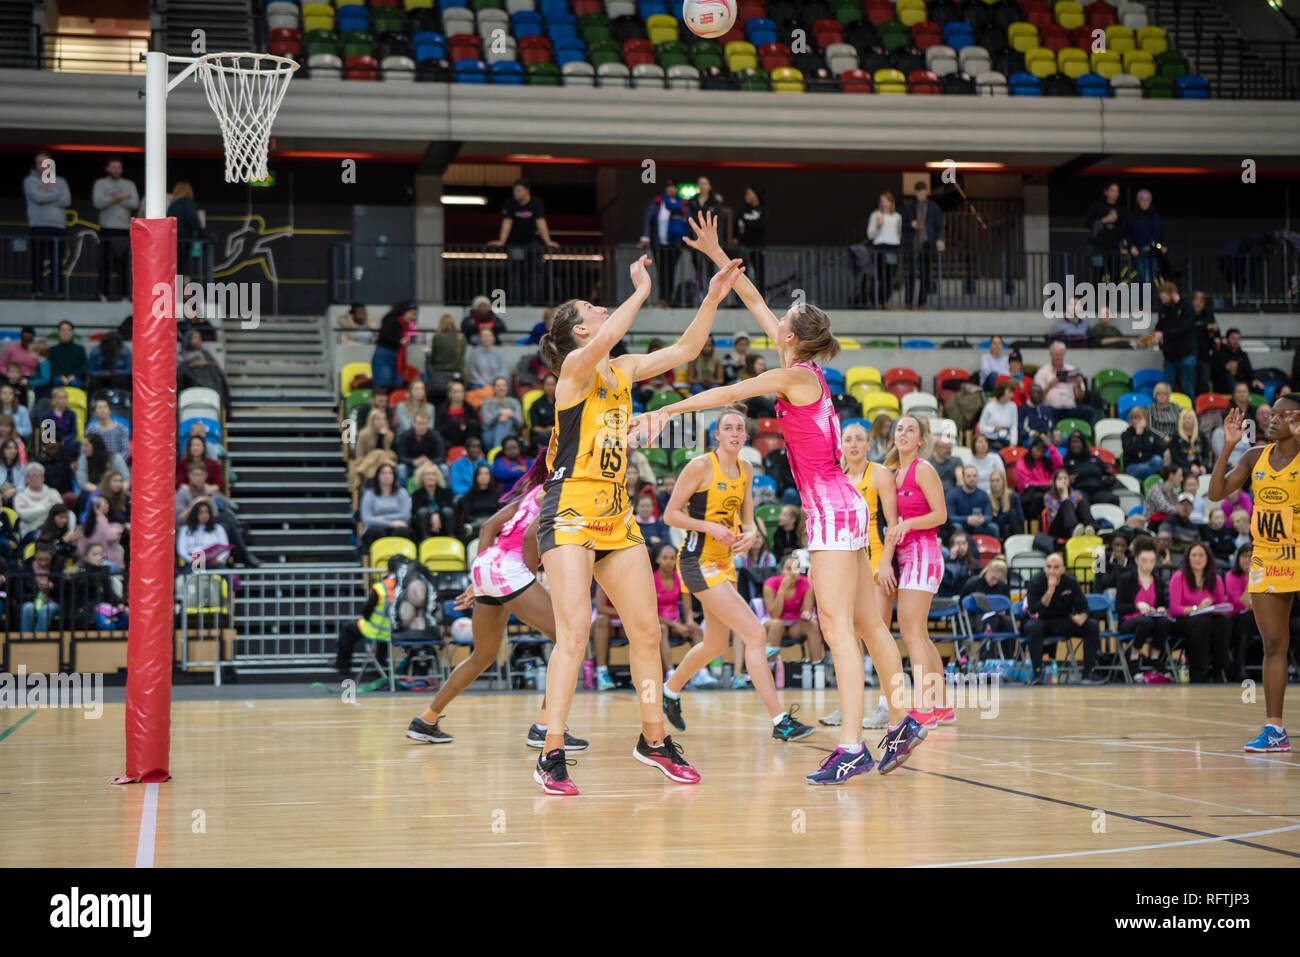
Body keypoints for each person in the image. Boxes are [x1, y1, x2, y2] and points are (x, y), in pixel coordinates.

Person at [640, 210, 920, 782]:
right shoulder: (802, 363)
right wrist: (719, 256)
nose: (776, 321)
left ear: (791, 338)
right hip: (845, 503)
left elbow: (730, 389)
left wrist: (669, 406)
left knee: (838, 626)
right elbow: (752, 296)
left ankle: (851, 745)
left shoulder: (791, 377)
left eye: (783, 321)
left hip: (831, 510)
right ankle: (905, 721)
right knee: (867, 625)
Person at [527, 252, 743, 795]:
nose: (604, 310)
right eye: (594, 308)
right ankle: (552, 751)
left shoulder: (622, 370)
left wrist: (714, 296)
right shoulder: (574, 372)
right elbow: (606, 339)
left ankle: (653, 739)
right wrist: (642, 290)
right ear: (580, 329)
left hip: (615, 511)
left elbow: (687, 349)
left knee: (647, 632)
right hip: (570, 508)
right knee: (574, 632)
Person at [405, 458, 589, 749]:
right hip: (510, 567)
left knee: (483, 655)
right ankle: (544, 727)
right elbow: (530, 536)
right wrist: (528, 577)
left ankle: (426, 720)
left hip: (488, 563)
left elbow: (488, 527)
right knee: (569, 639)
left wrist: (478, 577)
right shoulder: (561, 489)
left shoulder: (533, 491)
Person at [660, 406, 817, 739]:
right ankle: (780, 722)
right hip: (696, 560)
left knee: (716, 645)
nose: (734, 433)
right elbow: (670, 515)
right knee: (756, 634)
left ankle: (670, 691)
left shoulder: (745, 468)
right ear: (716, 434)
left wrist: (751, 535)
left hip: (725, 562)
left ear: (746, 436)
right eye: (727, 428)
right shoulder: (700, 466)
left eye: (739, 429)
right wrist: (708, 528)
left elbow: (748, 518)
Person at [1209, 400, 1300, 749]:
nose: (1273, 419)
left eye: (1284, 414)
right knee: (1274, 644)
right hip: (1268, 557)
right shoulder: (1254, 457)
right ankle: (1275, 730)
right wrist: (1229, 447)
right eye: (1272, 414)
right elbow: (1216, 493)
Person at [828, 420, 898, 729]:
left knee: (877, 633)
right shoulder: (837, 476)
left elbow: (893, 525)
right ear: (840, 445)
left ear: (868, 445)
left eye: (860, 439)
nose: (854, 444)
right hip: (845, 562)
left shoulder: (879, 474)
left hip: (876, 558)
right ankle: (849, 706)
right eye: (848, 439)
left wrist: (887, 564)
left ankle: (886, 705)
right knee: (846, 637)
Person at [1024, 553, 1104, 684]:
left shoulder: (1070, 581)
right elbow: (1034, 610)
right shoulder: (1036, 582)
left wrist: (1082, 616)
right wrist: (1050, 591)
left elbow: (1083, 606)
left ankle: (1088, 674)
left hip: (1063, 621)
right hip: (1041, 621)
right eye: (1049, 567)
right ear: (1044, 568)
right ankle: (1037, 675)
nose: (1052, 571)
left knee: (1092, 625)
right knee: (1033, 627)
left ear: (1063, 569)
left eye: (1056, 567)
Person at [1168, 542, 1232, 683]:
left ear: (1208, 558)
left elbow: (1222, 606)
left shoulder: (1216, 579)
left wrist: (1217, 610)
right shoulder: (1179, 577)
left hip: (1208, 620)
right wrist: (1197, 608)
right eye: (1194, 555)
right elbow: (1174, 608)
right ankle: (1198, 671)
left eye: (1201, 555)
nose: (1198, 559)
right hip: (1182, 621)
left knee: (1223, 622)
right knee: (1202, 622)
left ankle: (1219, 668)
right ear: (1188, 558)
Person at [487, 178, 558, 306]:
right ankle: (516, 302)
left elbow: (540, 223)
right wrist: (502, 241)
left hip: (531, 244)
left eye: (518, 190)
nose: (516, 193)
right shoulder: (510, 203)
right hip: (515, 245)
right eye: (514, 191)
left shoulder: (536, 203)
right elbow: (507, 223)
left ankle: (535, 302)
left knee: (535, 273)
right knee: (514, 273)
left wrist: (547, 242)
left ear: (526, 191)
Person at [1116, 535, 1170, 675]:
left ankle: (1155, 657)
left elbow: (1164, 603)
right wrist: (1137, 606)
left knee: (1163, 620)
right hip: (1129, 621)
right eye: (1144, 561)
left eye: (1152, 561)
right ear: (1136, 560)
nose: (1148, 565)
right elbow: (1119, 607)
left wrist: (1162, 608)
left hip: (1151, 621)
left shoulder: (1158, 580)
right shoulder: (1126, 579)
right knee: (1146, 620)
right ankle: (1134, 655)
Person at [24, 151, 70, 299]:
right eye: (40, 162)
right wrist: (56, 193)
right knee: (38, 260)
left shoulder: (61, 181)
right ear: (35, 164)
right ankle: (37, 291)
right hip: (38, 226)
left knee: (57, 262)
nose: (43, 166)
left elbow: (66, 201)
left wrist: (46, 191)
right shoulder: (30, 181)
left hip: (59, 228)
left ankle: (58, 292)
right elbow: (37, 198)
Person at [92, 156, 138, 301]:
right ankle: (103, 294)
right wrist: (121, 197)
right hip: (107, 229)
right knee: (105, 263)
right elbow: (98, 203)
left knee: (125, 265)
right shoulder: (100, 183)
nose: (116, 170)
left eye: (118, 167)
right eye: (113, 167)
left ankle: (125, 295)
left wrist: (112, 198)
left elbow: (135, 203)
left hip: (125, 230)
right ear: (107, 169)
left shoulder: (129, 183)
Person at [639, 181, 689, 307]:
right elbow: (647, 218)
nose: (672, 189)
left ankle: (668, 300)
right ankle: (662, 299)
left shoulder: (682, 204)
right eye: (669, 187)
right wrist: (645, 237)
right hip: (659, 244)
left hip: (675, 244)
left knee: (671, 272)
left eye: (674, 187)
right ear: (666, 189)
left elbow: (689, 222)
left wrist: (691, 240)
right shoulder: (657, 202)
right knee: (661, 272)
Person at [900, 180, 945, 310]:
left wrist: (940, 239)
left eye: (923, 193)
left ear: (926, 192)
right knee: (911, 273)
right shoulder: (908, 208)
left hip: (927, 244)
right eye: (919, 193)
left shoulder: (934, 207)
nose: (921, 195)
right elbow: (902, 226)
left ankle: (922, 303)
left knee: (925, 274)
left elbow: (939, 225)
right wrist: (911, 225)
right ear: (915, 193)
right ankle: (908, 303)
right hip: (912, 244)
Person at [1032, 341, 1093, 424]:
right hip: (1052, 410)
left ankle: (1080, 435)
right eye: (1056, 355)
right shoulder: (1042, 372)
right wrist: (1050, 385)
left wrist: (1078, 384)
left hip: (1070, 409)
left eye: (1061, 355)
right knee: (1042, 410)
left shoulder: (1072, 370)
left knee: (1088, 411)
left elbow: (1080, 397)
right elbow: (1037, 398)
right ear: (1051, 355)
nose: (1058, 357)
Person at [1152, 282, 1196, 397]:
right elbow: (1159, 325)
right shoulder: (1164, 309)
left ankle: (1190, 412)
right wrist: (1155, 334)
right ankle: (1167, 414)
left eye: (1165, 298)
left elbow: (1184, 328)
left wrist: (1163, 334)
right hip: (1169, 357)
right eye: (1162, 299)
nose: (1164, 301)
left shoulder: (1187, 307)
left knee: (1187, 386)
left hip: (1185, 355)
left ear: (1173, 293)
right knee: (1167, 388)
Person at [358, 462, 413, 550]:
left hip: (398, 527)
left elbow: (405, 516)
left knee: (401, 530)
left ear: (394, 476)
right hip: (376, 529)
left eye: (390, 473)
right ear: (377, 476)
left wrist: (383, 517)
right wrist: (391, 523)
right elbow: (367, 519)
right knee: (377, 531)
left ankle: (400, 560)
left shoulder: (402, 492)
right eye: (383, 473)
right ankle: (376, 560)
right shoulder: (369, 494)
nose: (387, 476)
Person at [866, 191, 902, 308]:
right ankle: (879, 301)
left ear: (891, 203)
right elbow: (870, 235)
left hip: (893, 247)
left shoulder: (897, 216)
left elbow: (899, 233)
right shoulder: (875, 215)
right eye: (882, 201)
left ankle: (884, 300)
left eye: (887, 201)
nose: (885, 204)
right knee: (881, 276)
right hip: (880, 247)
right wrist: (878, 226)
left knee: (890, 276)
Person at [1084, 181, 1126, 283]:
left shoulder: (1121, 210)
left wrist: (1123, 247)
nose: (1115, 193)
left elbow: (1122, 230)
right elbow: (1088, 223)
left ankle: (1113, 298)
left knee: (1115, 276)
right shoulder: (1097, 206)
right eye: (1112, 190)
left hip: (1114, 248)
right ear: (1106, 192)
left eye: (1117, 191)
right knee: (1098, 275)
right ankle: (1097, 298)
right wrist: (1104, 220)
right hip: (1098, 248)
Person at [1224, 544, 1255, 681]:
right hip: (1234, 619)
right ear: (1238, 558)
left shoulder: (1265, 576)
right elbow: (1243, 602)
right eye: (1244, 556)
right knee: (1246, 618)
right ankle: (1239, 666)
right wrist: (1251, 576)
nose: (1247, 560)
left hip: (1256, 618)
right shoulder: (1231, 576)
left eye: (1251, 556)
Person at [1063, 431, 1119, 505]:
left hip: (1098, 490)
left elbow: (1110, 475)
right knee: (1080, 502)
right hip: (1079, 490)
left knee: (1113, 499)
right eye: (1073, 442)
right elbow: (1061, 480)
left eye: (1078, 442)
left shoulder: (1095, 459)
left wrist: (1109, 479)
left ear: (1083, 444)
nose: (1075, 445)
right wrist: (1068, 481)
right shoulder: (1067, 461)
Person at [371, 300, 414, 390]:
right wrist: (398, 341)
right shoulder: (391, 320)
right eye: (412, 314)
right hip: (384, 357)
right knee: (383, 385)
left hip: (395, 357)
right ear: (404, 311)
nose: (413, 317)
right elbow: (384, 335)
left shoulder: (404, 324)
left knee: (397, 385)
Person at [1126, 188, 1166, 286]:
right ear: (1138, 201)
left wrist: (1163, 245)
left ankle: (1147, 300)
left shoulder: (1155, 217)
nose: (1145, 203)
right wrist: (1131, 246)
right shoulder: (1133, 217)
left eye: (1147, 200)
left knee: (1151, 278)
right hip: (1140, 252)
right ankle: (1143, 300)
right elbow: (1127, 234)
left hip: (1154, 252)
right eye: (1142, 200)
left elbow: (1161, 232)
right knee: (1145, 279)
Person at [395, 412, 446, 488]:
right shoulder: (405, 435)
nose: (422, 427)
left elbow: (442, 457)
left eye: (424, 424)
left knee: (444, 468)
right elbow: (400, 457)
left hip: (431, 466)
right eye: (419, 424)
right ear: (413, 424)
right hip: (411, 466)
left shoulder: (435, 435)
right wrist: (413, 461)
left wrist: (430, 462)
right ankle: (403, 493)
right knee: (401, 468)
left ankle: (444, 493)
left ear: (428, 424)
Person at [425, 314, 467, 402]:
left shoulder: (438, 337)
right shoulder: (462, 338)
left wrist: (428, 354)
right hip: (457, 378)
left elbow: (433, 360)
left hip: (439, 378)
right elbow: (461, 360)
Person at [1043, 467, 1093, 539]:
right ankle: (1073, 531)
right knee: (1067, 503)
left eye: (1065, 478)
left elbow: (1078, 512)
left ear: (1069, 480)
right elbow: (1055, 514)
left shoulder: (1077, 493)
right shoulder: (1048, 496)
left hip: (1078, 526)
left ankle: (1091, 528)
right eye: (1060, 478)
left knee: (1082, 503)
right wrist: (1064, 493)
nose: (1063, 481)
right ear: (1054, 481)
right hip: (1057, 528)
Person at [14, 463, 62, 538]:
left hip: (53, 529)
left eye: (37, 475)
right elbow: (24, 515)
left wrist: (31, 510)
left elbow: (59, 511)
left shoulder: (53, 493)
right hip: (30, 533)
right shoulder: (20, 496)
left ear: (43, 478)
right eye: (30, 475)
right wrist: (47, 509)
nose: (34, 478)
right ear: (26, 479)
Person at [1211, 327, 1263, 395]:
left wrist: (1254, 380)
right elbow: (1213, 373)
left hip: (1241, 383)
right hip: (1223, 384)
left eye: (1238, 339)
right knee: (1229, 376)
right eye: (1233, 338)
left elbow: (1249, 371)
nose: (1236, 341)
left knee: (1258, 386)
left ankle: (1255, 405)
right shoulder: (1219, 353)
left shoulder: (1242, 354)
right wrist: (1225, 368)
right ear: (1227, 339)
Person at [409, 462, 452, 542]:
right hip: (424, 527)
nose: (430, 477)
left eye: (433, 474)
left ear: (438, 477)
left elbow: (451, 508)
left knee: (448, 511)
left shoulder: (446, 493)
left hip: (443, 525)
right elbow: (415, 511)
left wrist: (436, 514)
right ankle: (425, 541)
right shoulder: (416, 494)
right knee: (422, 512)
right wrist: (432, 515)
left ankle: (451, 538)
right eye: (427, 474)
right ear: (422, 477)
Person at [1121, 405, 1167, 481]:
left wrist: (1142, 455)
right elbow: (1131, 451)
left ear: (1145, 420)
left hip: (1150, 463)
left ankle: (1157, 479)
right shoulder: (1126, 435)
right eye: (1134, 418)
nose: (1136, 421)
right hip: (1133, 466)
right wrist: (1138, 435)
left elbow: (1159, 452)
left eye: (1140, 418)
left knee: (1157, 460)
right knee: (1147, 468)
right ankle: (1159, 480)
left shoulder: (1150, 434)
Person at [736, 186, 767, 296]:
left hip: (758, 247)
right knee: (741, 273)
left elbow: (762, 225)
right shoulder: (743, 210)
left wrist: (748, 225)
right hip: (744, 246)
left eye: (749, 193)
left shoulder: (763, 209)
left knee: (759, 273)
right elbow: (738, 227)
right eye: (746, 194)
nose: (747, 196)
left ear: (756, 195)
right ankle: (740, 299)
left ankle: (761, 297)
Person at [946, 464, 993, 536]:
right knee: (956, 526)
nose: (972, 478)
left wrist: (982, 519)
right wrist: (967, 519)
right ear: (963, 478)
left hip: (978, 525)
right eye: (969, 476)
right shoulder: (952, 494)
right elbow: (950, 517)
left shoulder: (983, 495)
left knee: (993, 527)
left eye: (974, 476)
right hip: (961, 525)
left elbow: (989, 515)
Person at [478, 376, 522, 451]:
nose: (501, 388)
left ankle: (497, 450)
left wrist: (511, 415)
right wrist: (499, 413)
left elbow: (520, 424)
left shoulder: (514, 402)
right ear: (493, 388)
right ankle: (499, 452)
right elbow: (487, 423)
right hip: (489, 436)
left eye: (504, 385)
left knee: (507, 420)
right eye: (498, 386)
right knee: (505, 421)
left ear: (507, 388)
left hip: (510, 436)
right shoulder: (486, 402)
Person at [434, 380, 481, 449]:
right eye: (456, 392)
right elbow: (439, 430)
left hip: (468, 440)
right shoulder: (442, 409)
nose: (459, 394)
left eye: (461, 391)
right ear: (450, 394)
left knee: (472, 423)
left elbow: (477, 427)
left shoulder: (469, 408)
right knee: (454, 424)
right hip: (450, 441)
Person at [465, 327, 509, 391]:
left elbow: (503, 371)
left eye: (488, 336)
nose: (486, 338)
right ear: (480, 338)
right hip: (478, 384)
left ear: (493, 338)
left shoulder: (500, 353)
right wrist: (485, 385)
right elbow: (472, 372)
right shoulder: (474, 353)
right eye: (483, 336)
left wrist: (495, 384)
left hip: (497, 385)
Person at [1169, 408, 1210, 477]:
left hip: (1199, 465)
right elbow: (1175, 458)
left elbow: (1206, 455)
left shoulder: (1201, 435)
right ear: (1180, 421)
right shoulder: (1176, 436)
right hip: (1182, 466)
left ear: (1194, 420)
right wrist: (1190, 466)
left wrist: (1203, 465)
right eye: (1184, 418)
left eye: (1189, 418)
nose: (1187, 421)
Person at [978, 380, 1018, 448]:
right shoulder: (989, 406)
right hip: (991, 439)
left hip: (1006, 440)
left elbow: (1014, 427)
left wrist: (1013, 443)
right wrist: (993, 429)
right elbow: (981, 427)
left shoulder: (1013, 406)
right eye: (1009, 392)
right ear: (1002, 392)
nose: (1012, 395)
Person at [940, 530, 980, 597]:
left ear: (967, 544)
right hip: (950, 597)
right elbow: (949, 582)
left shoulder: (974, 563)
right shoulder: (945, 562)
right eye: (958, 543)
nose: (961, 546)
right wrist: (952, 560)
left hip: (968, 596)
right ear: (952, 546)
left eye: (964, 543)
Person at [986, 469, 1025, 539]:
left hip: (1012, 526)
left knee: (1008, 524)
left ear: (1003, 481)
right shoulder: (987, 498)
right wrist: (1006, 515)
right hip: (997, 528)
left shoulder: (1013, 496)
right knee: (1011, 514)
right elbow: (991, 520)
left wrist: (999, 516)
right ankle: (1019, 542)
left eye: (997, 480)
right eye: (992, 481)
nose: (994, 483)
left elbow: (1020, 518)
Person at [49, 321, 87, 390]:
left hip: (76, 379)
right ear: (58, 332)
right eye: (63, 330)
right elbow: (51, 367)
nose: (65, 333)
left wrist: (74, 376)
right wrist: (60, 376)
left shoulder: (80, 349)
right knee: (57, 381)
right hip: (58, 378)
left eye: (68, 330)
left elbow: (83, 367)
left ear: (72, 332)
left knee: (74, 383)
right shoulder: (52, 350)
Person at [1019, 382, 1056, 449]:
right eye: (1034, 393)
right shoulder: (1023, 409)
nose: (1036, 395)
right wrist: (1035, 434)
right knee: (1032, 442)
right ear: (1029, 394)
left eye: (1038, 393)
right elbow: (1021, 430)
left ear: (1042, 395)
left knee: (1065, 438)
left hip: (1046, 435)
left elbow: (1052, 425)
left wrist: (1056, 433)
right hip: (1031, 437)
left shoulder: (1046, 408)